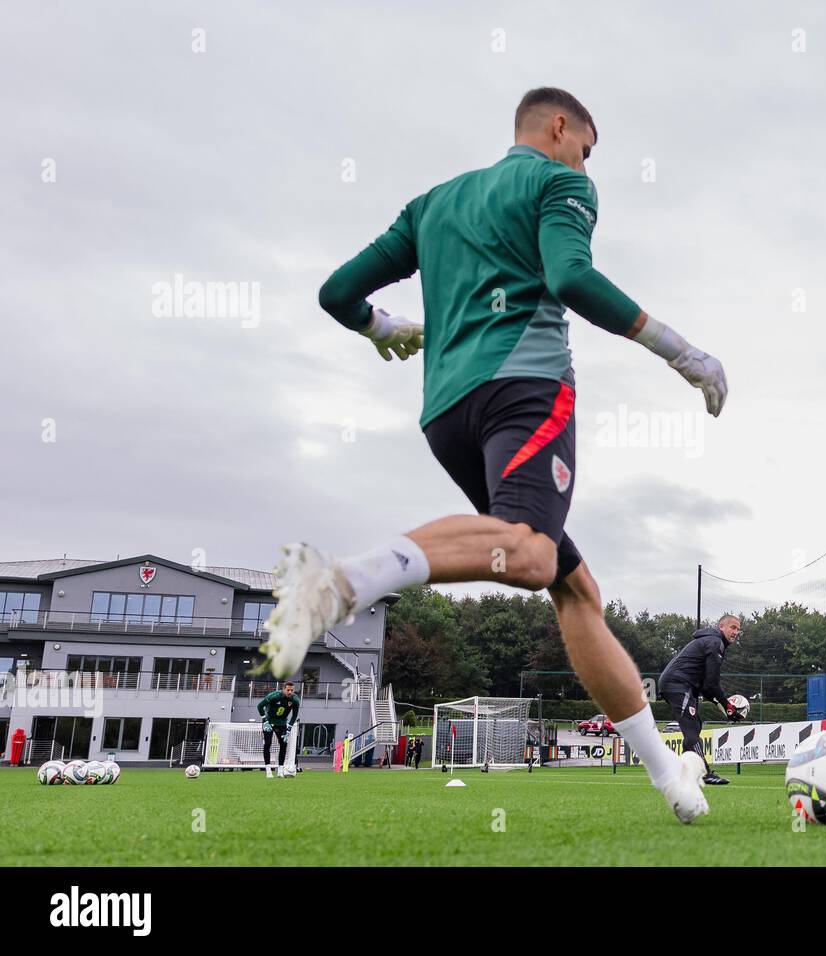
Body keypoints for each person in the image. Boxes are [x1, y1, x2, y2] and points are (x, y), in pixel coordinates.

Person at [263, 88, 727, 823]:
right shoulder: (559, 180)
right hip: (527, 391)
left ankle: (669, 775)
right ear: (558, 127)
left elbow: (336, 292)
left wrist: (380, 325)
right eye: (587, 146)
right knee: (535, 554)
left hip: (447, 413)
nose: (586, 161)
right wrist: (680, 351)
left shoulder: (433, 203)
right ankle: (346, 581)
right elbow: (569, 278)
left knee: (577, 593)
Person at [659, 615, 744, 785]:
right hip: (678, 684)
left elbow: (706, 687)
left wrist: (724, 706)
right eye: (732, 627)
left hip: (684, 685)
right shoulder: (715, 643)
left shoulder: (713, 642)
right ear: (721, 627)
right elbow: (712, 683)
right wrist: (727, 706)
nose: (736, 632)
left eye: (738, 629)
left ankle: (683, 771)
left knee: (694, 726)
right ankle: (704, 773)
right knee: (691, 727)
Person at [258, 680, 300, 778]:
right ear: (284, 689)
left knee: (283, 744)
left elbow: (294, 715)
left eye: (292, 690)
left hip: (281, 723)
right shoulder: (274, 696)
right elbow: (260, 706)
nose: (290, 692)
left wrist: (289, 729)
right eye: (288, 690)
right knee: (267, 744)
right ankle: (268, 771)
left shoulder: (295, 700)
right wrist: (265, 721)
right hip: (269, 722)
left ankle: (280, 771)